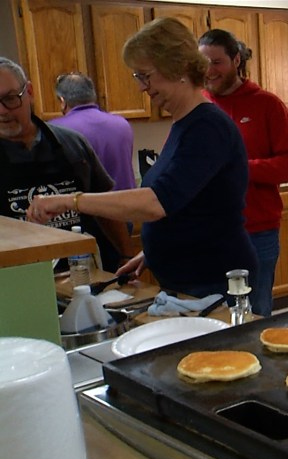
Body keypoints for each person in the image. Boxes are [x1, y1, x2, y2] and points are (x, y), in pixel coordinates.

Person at [28, 17, 257, 299]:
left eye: (145, 75)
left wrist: (71, 200)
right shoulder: (185, 124)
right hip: (190, 278)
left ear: (178, 66)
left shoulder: (207, 127)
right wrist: (150, 253)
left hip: (213, 279)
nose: (141, 87)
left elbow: (156, 202)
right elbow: (193, 207)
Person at [198, 29, 288, 317]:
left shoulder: (267, 104)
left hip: (257, 231)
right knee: (213, 315)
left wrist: (241, 167)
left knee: (254, 314)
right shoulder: (198, 106)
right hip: (209, 232)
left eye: (217, 62)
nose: (209, 70)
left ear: (235, 60)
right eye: (202, 62)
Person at [0, 57, 131, 270]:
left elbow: (103, 206)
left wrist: (126, 255)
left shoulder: (72, 143)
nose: (2, 111)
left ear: (30, 92)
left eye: (10, 98)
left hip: (86, 274)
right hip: (20, 282)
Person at [50, 72, 136, 191]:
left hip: (87, 206)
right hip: (128, 205)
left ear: (63, 101)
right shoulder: (122, 124)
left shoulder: (55, 130)